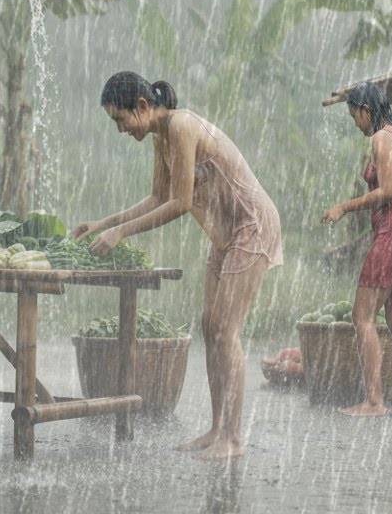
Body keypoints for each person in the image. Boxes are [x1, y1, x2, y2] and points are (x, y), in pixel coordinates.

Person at [72, 72, 282, 460]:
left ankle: (233, 437)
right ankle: (216, 429)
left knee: (226, 329)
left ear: (142, 106)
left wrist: (122, 233)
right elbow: (158, 197)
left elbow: (181, 204)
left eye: (121, 119)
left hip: (251, 225)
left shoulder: (182, 125)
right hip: (224, 233)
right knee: (209, 326)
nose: (120, 129)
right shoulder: (161, 136)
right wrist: (104, 224)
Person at [322, 82, 392, 417]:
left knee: (362, 315)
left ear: (366, 111)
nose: (356, 124)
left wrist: (344, 207)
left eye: (355, 116)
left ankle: (373, 401)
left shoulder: (381, 138)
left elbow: (388, 192)